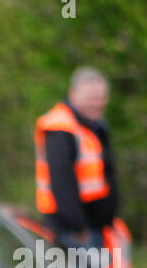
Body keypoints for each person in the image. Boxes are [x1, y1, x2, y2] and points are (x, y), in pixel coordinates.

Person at [35, 67, 120, 251]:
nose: (97, 103)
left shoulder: (94, 125)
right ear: (73, 95)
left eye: (101, 97)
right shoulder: (60, 127)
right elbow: (61, 182)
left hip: (93, 225)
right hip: (71, 230)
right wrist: (79, 227)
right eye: (91, 98)